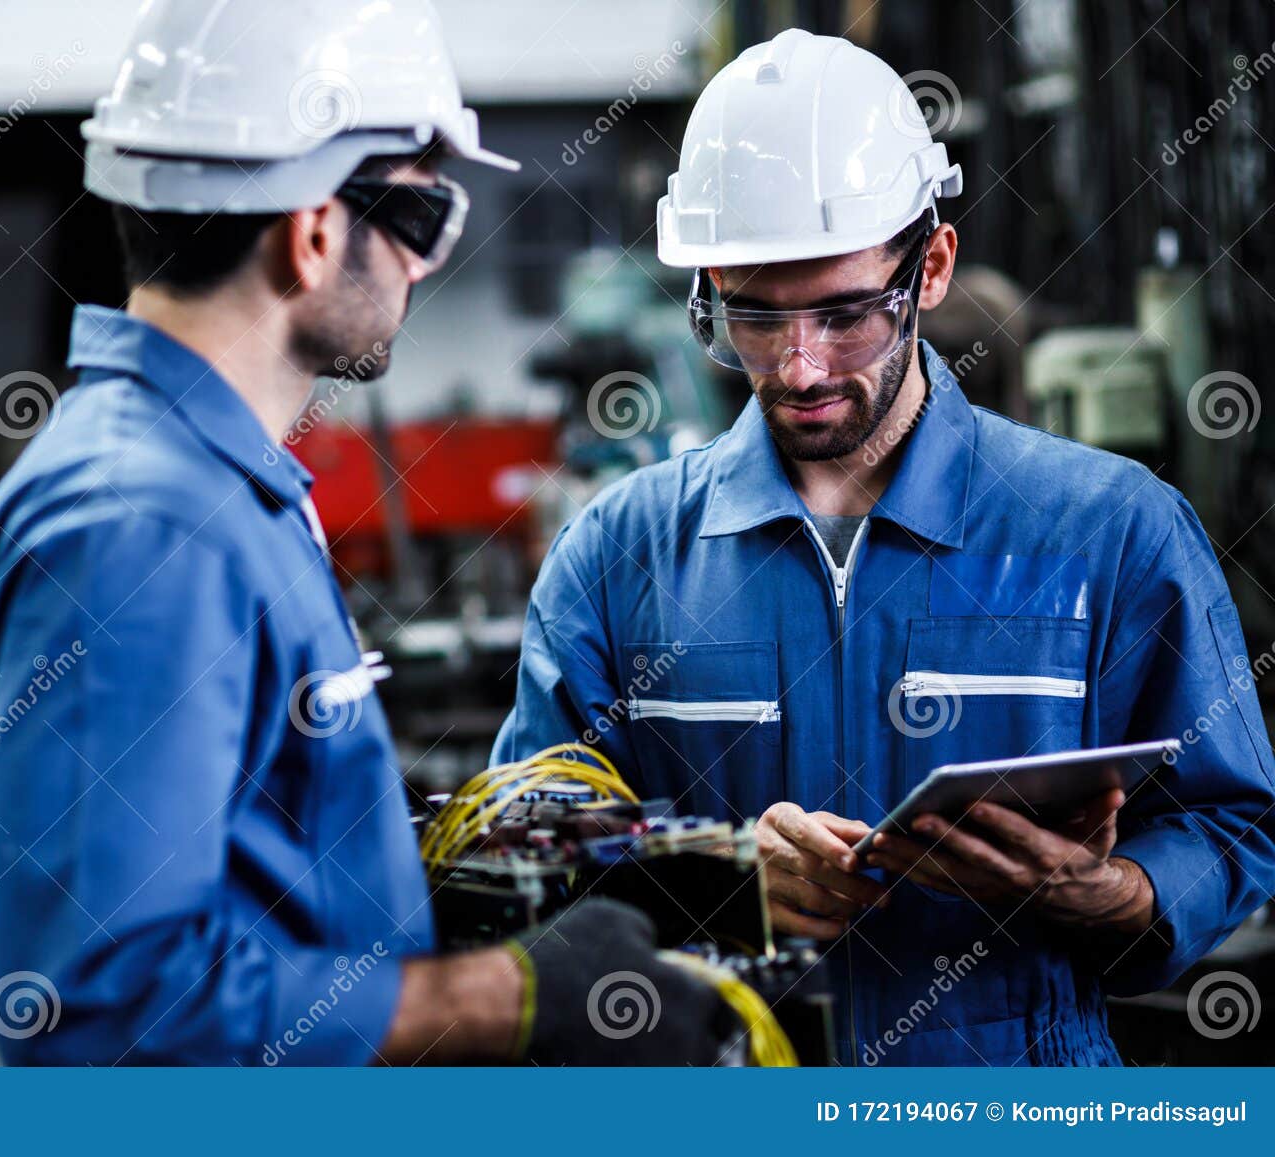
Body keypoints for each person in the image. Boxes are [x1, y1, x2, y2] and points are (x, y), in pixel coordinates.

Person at [0, 0, 736, 1066]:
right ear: (312, 231)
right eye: (420, 218)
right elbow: (105, 1007)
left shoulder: (213, 490)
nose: (422, 263)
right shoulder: (146, 530)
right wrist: (511, 994)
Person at [495, 27, 1275, 1066]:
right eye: (753, 316)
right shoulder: (617, 556)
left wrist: (1115, 893)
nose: (800, 366)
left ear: (932, 266)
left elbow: (1231, 826)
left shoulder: (1109, 531)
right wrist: (711, 879)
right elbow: (523, 851)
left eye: (847, 312)